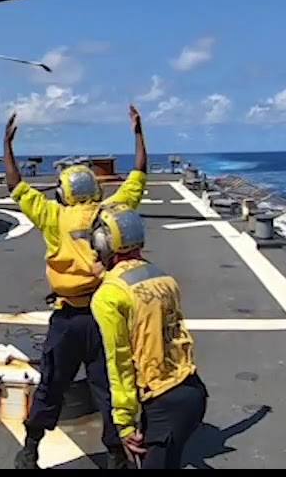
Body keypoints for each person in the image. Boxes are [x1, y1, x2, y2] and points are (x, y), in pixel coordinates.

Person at [3, 104, 149, 470]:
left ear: (64, 191)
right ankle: (118, 455)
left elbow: (14, 185)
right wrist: (137, 132)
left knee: (52, 383)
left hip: (68, 319)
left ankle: (30, 448)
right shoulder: (111, 209)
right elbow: (139, 173)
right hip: (106, 313)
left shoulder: (53, 215)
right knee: (112, 386)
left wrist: (6, 145)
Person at [89, 201, 209, 469]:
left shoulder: (109, 296)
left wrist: (123, 421)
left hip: (163, 403)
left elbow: (119, 361)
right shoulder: (164, 278)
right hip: (191, 392)